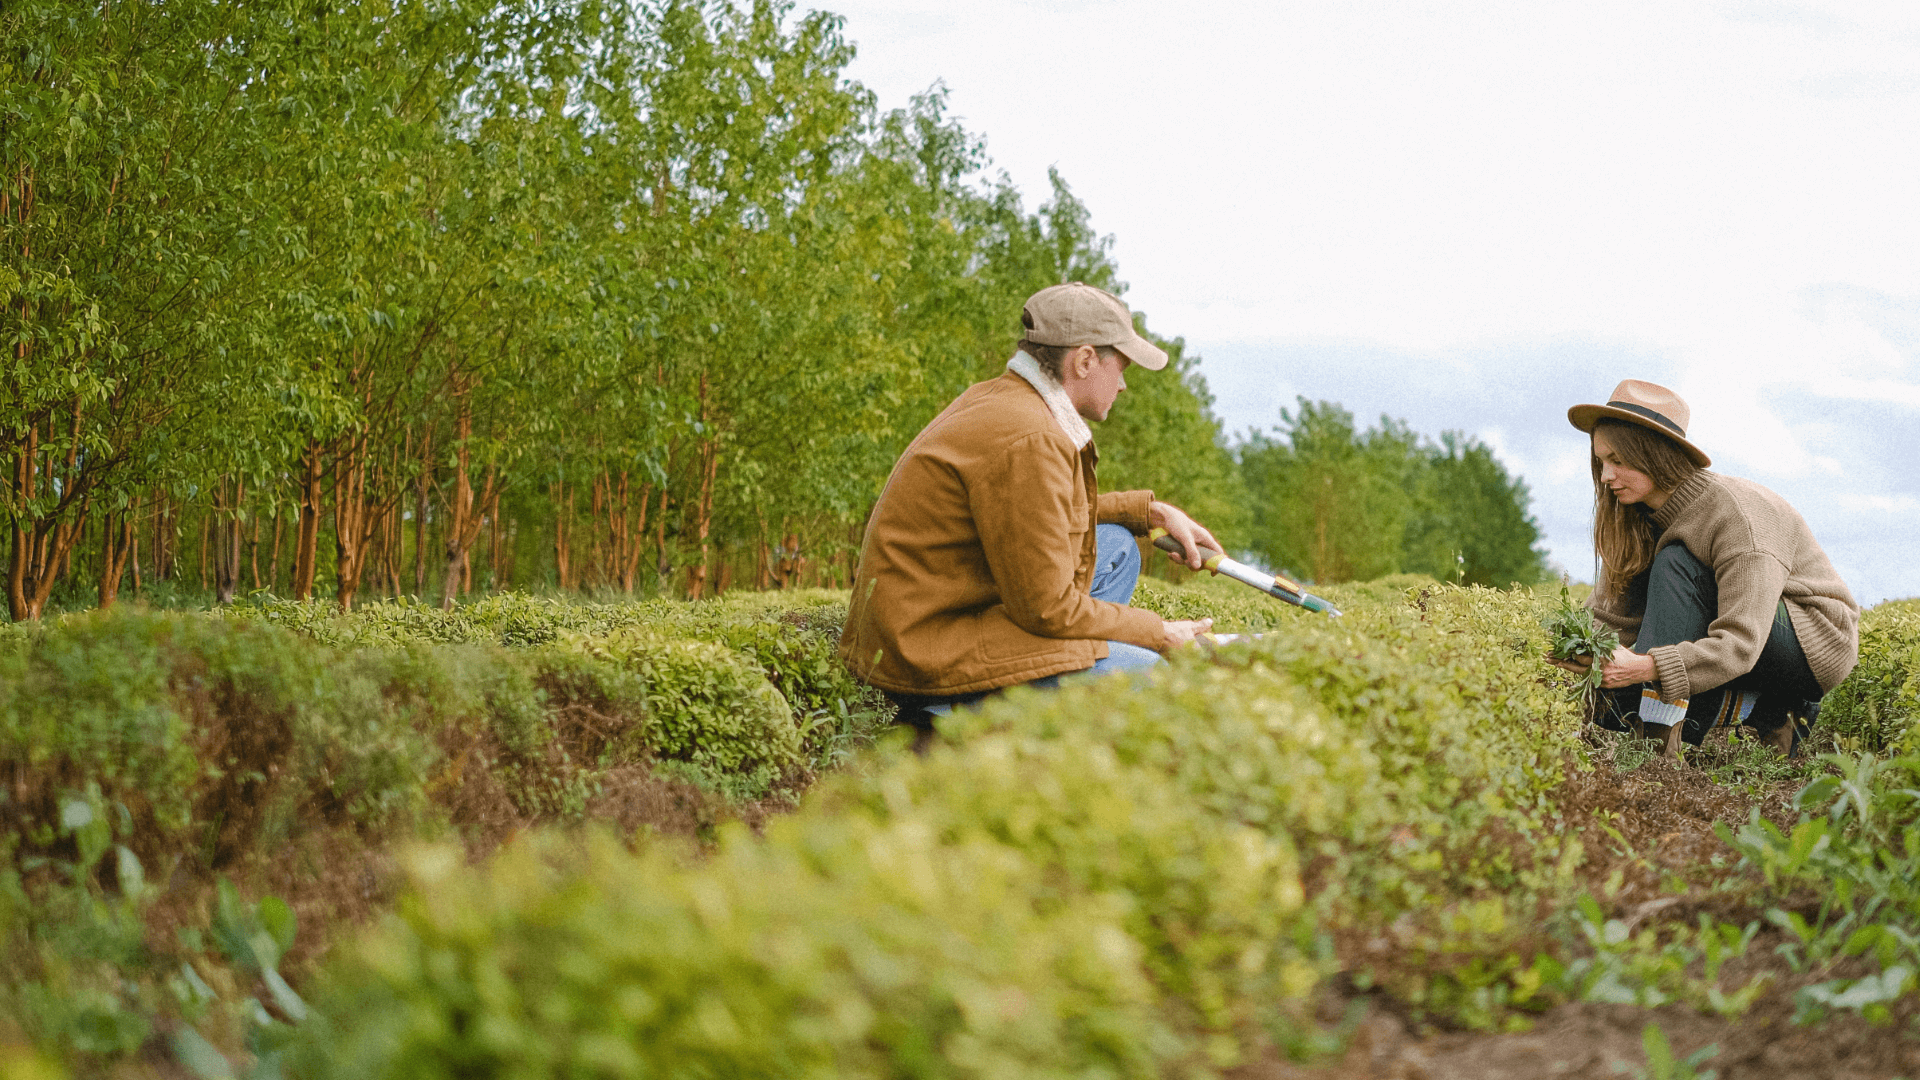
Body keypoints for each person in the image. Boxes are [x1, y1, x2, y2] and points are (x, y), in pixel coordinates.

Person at [838, 282, 1222, 739]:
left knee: (1118, 547)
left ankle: (1056, 672)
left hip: (930, 616)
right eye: (1120, 366)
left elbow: (1036, 511)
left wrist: (1149, 512)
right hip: (922, 652)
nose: (1123, 383)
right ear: (1083, 360)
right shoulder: (1031, 437)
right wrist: (1157, 632)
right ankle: (952, 711)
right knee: (1153, 673)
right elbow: (1048, 609)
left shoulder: (1007, 400)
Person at [1552, 379, 1860, 757]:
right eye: (1601, 462)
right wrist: (1574, 650)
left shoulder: (1736, 516)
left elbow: (1741, 641)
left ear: (1655, 455)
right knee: (1607, 701)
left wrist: (1644, 667)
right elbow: (1608, 615)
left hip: (1808, 643)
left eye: (1618, 461)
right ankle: (1770, 712)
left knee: (1676, 562)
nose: (1605, 476)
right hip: (1735, 637)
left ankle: (1654, 749)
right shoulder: (1638, 514)